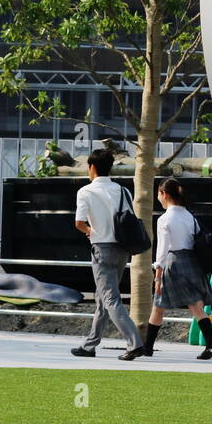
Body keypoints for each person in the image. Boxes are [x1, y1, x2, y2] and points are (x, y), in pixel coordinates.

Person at [71, 148, 144, 359]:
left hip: (102, 249)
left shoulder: (85, 192)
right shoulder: (123, 191)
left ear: (92, 167)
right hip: (122, 249)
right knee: (104, 298)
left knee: (110, 299)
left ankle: (134, 343)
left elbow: (79, 223)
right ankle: (89, 345)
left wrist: (89, 231)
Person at [140, 177, 212, 361]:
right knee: (195, 305)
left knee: (159, 306)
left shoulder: (164, 219)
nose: (158, 198)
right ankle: (210, 346)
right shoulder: (188, 216)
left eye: (159, 194)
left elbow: (162, 249)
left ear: (164, 194)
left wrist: (157, 275)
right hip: (192, 261)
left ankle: (148, 348)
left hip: (173, 262)